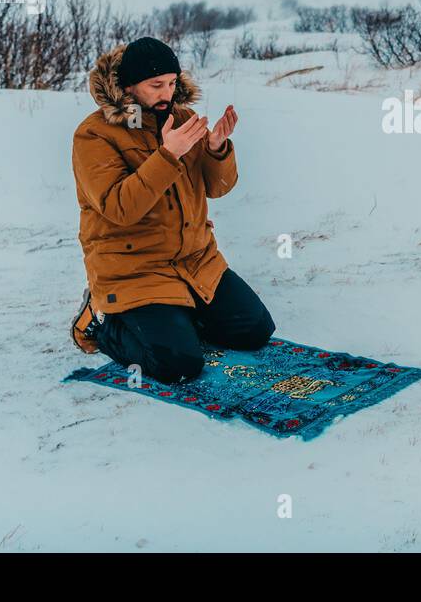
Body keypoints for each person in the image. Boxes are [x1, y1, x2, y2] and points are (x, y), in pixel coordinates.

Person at [68, 36, 275, 384]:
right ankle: (101, 322)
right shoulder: (95, 135)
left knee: (255, 331)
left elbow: (217, 188)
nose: (167, 93)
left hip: (195, 260)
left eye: (172, 83)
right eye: (156, 85)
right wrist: (168, 155)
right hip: (134, 269)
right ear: (129, 86)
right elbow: (120, 208)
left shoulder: (184, 119)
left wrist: (216, 149)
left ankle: (177, 317)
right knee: (178, 365)